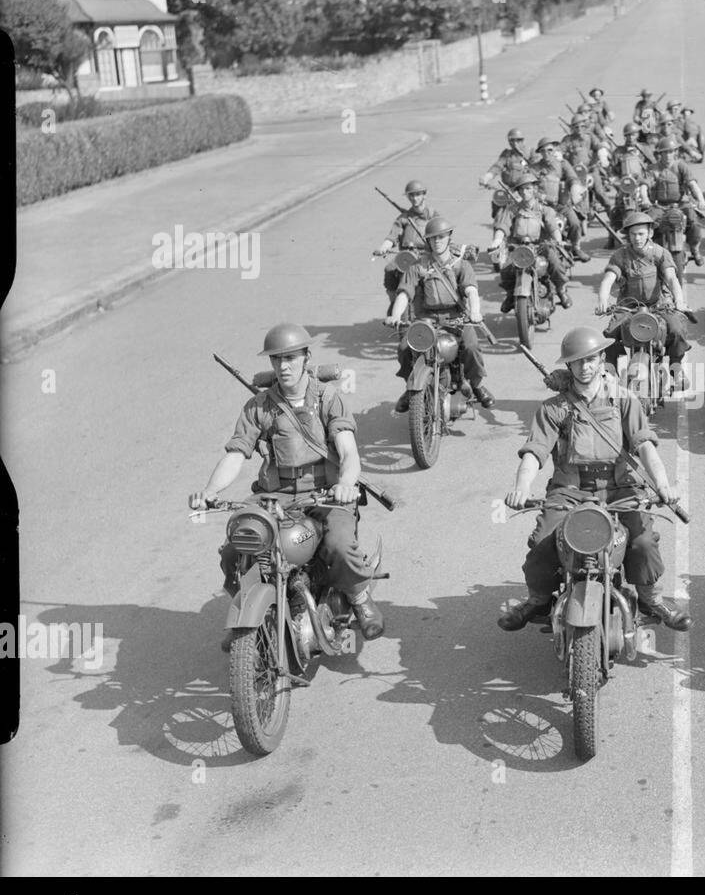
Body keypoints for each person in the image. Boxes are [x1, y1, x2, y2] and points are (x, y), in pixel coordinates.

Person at [189, 324, 384, 642]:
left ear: (307, 357)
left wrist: (346, 484)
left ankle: (360, 598)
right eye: (276, 359)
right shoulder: (259, 406)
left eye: (290, 358)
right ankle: (246, 619)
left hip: (326, 494)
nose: (283, 366)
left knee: (338, 545)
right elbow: (236, 454)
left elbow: (348, 451)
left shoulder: (326, 398)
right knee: (234, 551)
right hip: (274, 495)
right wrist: (211, 491)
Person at [500, 326, 690, 632]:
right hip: (570, 490)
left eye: (591, 360)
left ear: (602, 358)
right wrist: (522, 487)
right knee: (542, 542)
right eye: (578, 362)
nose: (585, 367)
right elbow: (535, 452)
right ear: (569, 366)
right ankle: (537, 599)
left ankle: (651, 599)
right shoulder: (554, 408)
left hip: (622, 488)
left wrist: (663, 484)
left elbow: (644, 446)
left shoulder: (624, 400)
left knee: (642, 542)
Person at [385, 215, 494, 412]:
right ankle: (410, 389)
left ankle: (476, 385)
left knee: (471, 347)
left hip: (457, 318)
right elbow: (404, 292)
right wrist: (395, 315)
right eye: (433, 238)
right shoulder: (417, 266)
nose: (437, 242)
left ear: (449, 237)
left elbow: (471, 291)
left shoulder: (461, 265)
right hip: (427, 319)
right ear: (427, 240)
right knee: (404, 347)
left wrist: (475, 312)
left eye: (441, 237)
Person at [597, 212, 691, 386]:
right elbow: (608, 278)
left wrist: (679, 300)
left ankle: (676, 367)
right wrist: (602, 298)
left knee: (677, 329)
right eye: (633, 234)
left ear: (650, 233)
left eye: (641, 233)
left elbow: (671, 278)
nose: (637, 238)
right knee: (609, 335)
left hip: (659, 305)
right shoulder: (621, 256)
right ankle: (610, 373)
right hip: (629, 308)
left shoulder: (660, 253)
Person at [490, 173, 572, 312]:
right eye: (521, 189)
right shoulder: (513, 209)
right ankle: (510, 295)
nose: (524, 192)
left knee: (556, 264)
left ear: (534, 189)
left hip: (541, 246)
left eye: (527, 188)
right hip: (518, 247)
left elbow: (553, 227)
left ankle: (561, 290)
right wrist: (497, 240)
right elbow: (503, 226)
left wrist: (558, 241)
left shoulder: (544, 210)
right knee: (506, 269)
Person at [645, 136, 705, 265]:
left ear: (675, 152)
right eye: (664, 152)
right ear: (660, 154)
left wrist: (701, 200)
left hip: (681, 204)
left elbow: (692, 184)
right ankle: (646, 253)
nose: (668, 155)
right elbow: (644, 185)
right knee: (647, 224)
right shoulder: (653, 168)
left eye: (670, 151)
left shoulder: (681, 166)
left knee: (694, 223)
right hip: (659, 206)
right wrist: (645, 198)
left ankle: (695, 248)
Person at [375, 180, 432, 309]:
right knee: (389, 270)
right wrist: (383, 248)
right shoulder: (403, 218)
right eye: (411, 195)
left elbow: (442, 236)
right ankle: (394, 303)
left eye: (418, 194)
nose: (414, 198)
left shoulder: (433, 216)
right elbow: (391, 237)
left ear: (424, 195)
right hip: (406, 258)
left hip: (426, 258)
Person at [533, 137, 590, 263]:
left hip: (561, 205)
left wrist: (575, 188)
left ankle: (576, 247)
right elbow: (528, 181)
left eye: (549, 150)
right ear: (540, 153)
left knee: (575, 223)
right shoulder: (535, 168)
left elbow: (573, 177)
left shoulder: (562, 164)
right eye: (543, 151)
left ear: (554, 150)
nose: (547, 153)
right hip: (542, 205)